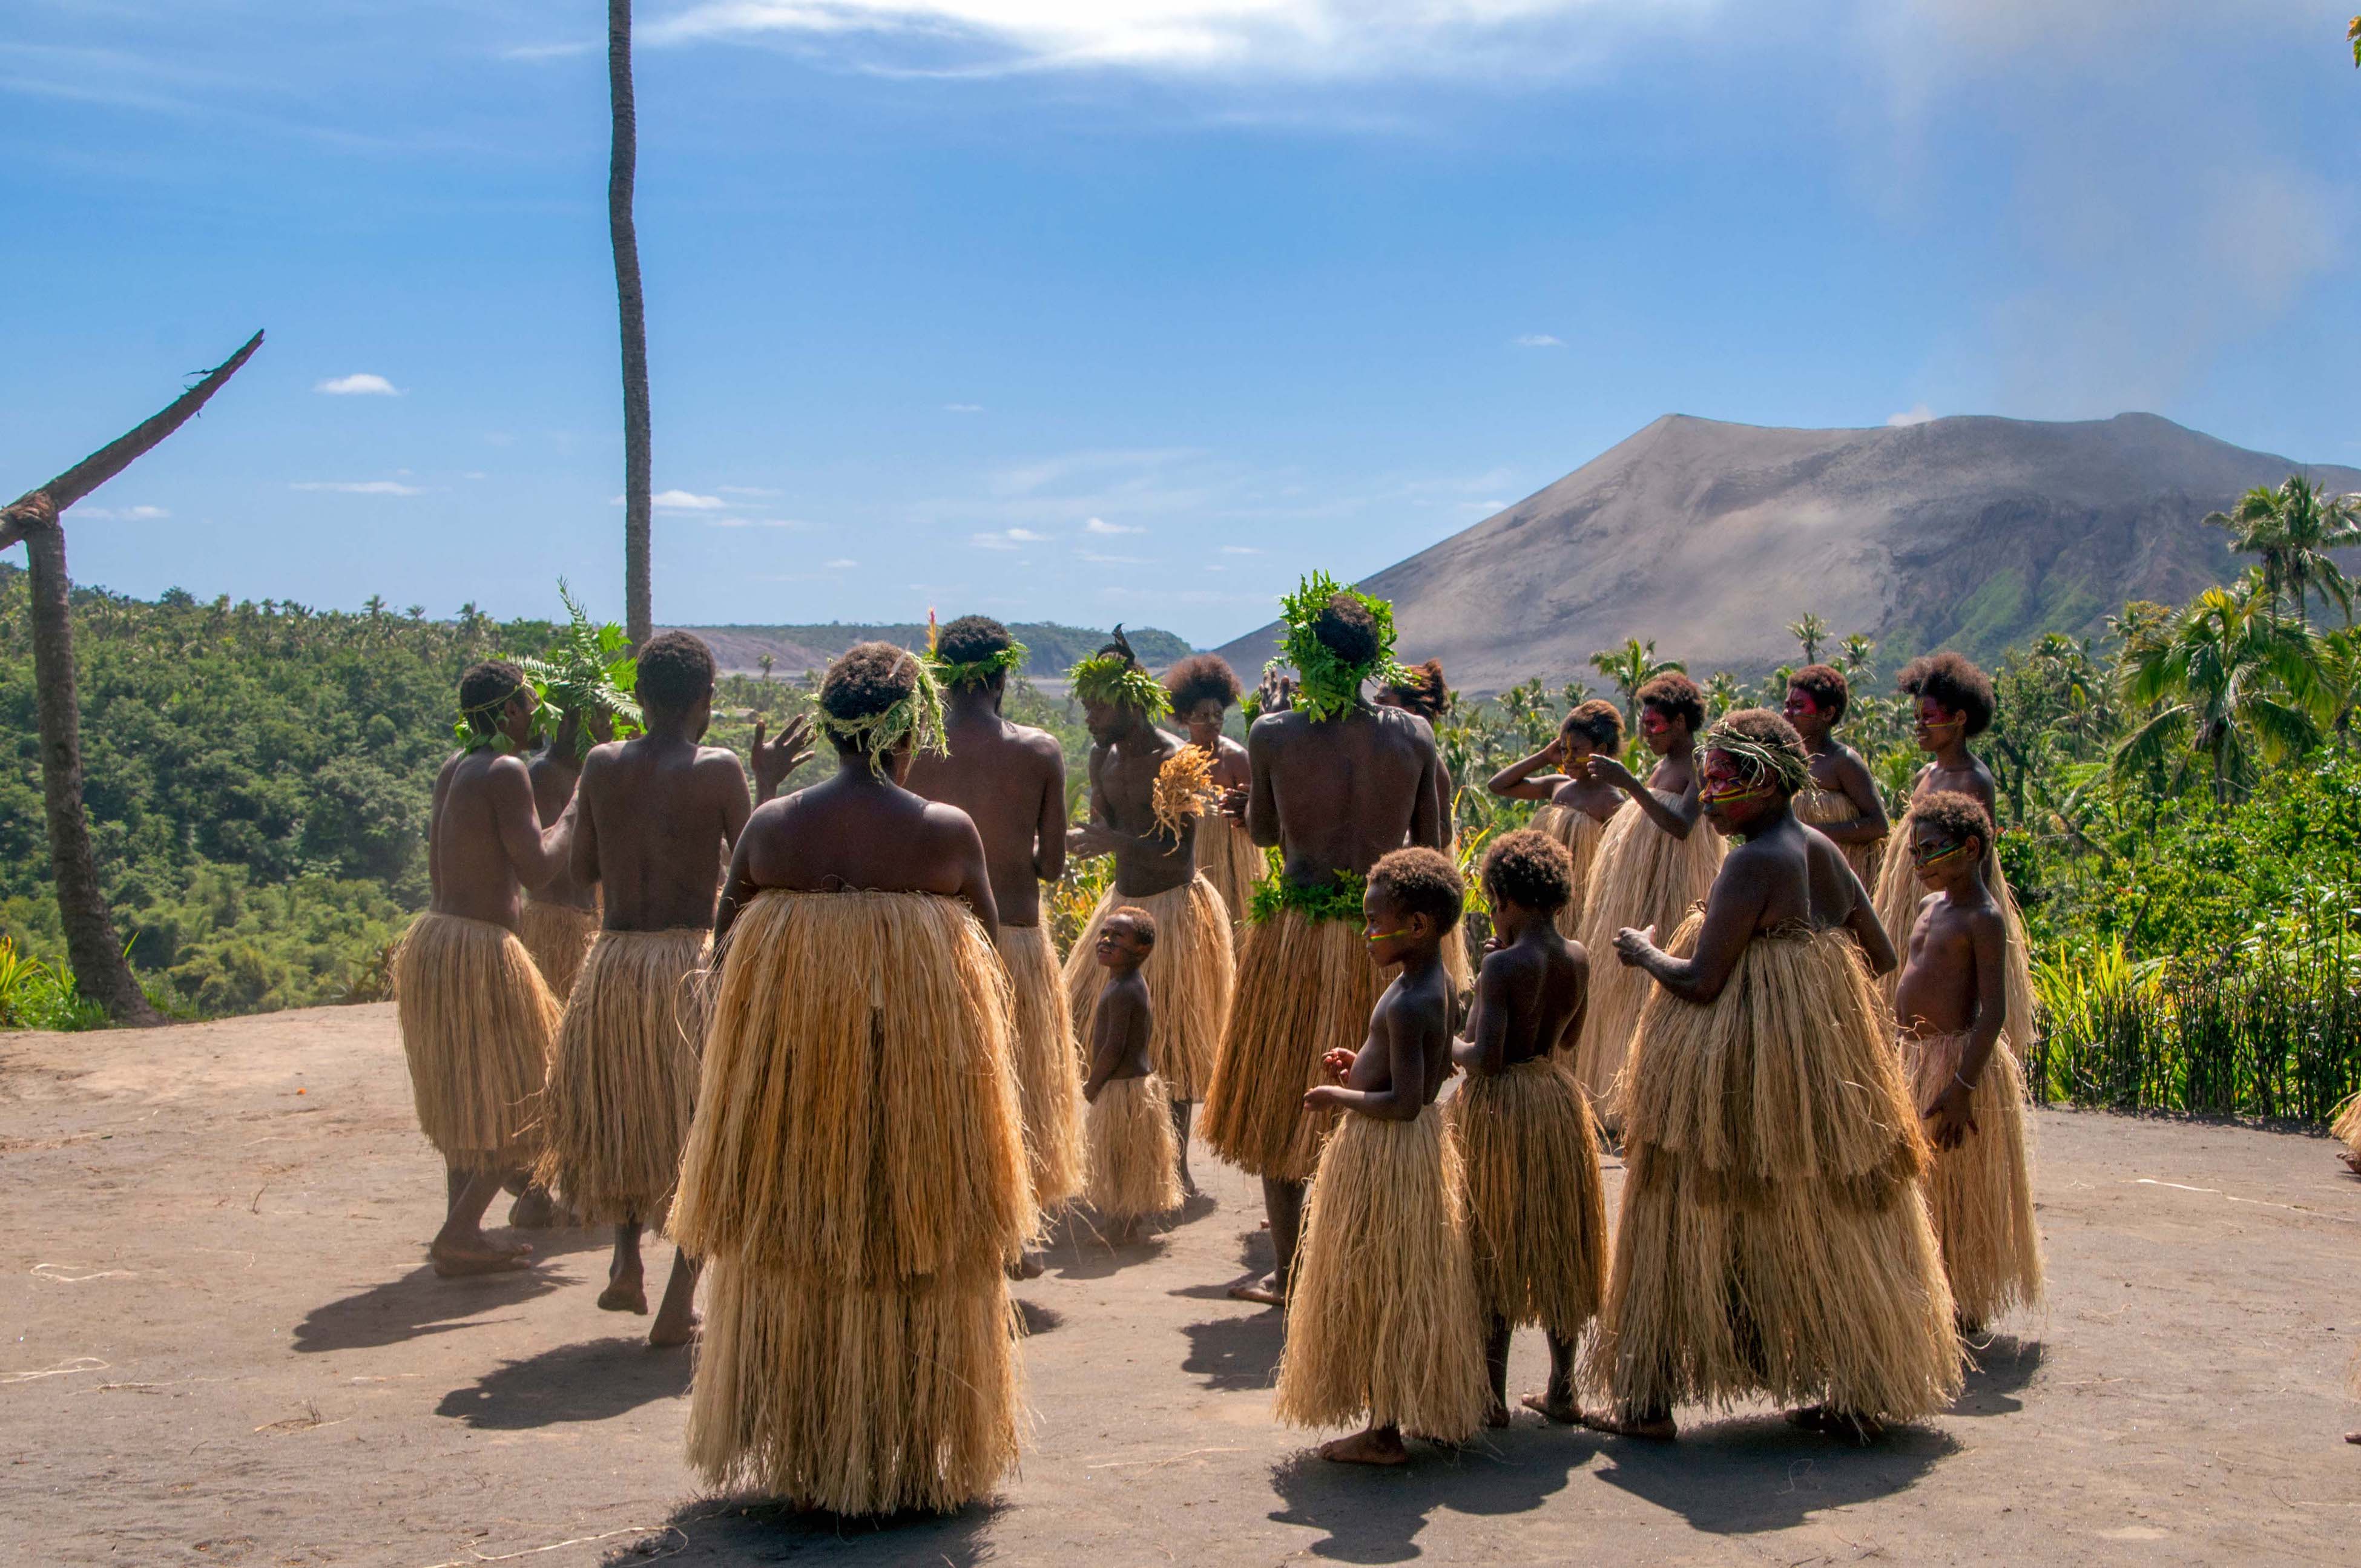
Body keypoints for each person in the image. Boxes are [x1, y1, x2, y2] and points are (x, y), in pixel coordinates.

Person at [668, 642, 1030, 1515]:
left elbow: (723, 955)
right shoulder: (943, 831)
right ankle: (900, 1449)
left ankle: (811, 1449)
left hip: (791, 1090)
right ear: (914, 730)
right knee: (910, 1238)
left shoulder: (774, 829)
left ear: (829, 728)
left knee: (804, 1237)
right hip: (921, 1092)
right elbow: (993, 954)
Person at [1583, 710, 1958, 1444]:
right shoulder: (1819, 847)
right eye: (1709, 780)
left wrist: (1644, 951)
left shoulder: (1753, 861)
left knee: (1690, 1197)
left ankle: (1649, 1402)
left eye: (1727, 781)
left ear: (1771, 780)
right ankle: (1858, 1386)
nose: (1713, 796)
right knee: (1818, 1204)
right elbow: (1879, 954)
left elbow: (1699, 981)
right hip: (1815, 1068)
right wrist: (1812, 986)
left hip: (1739, 1068)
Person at [534, 632, 809, 1347]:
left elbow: (582, 870)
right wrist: (769, 782)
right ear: (706, 701)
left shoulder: (600, 764)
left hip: (616, 966)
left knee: (625, 1113)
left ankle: (626, 1259)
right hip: (687, 967)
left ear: (642, 698)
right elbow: (753, 862)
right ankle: (677, 1301)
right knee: (699, 1125)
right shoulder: (718, 770)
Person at [1201, 575, 1444, 1307]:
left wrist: (1260, 812)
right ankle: (1375, 1266)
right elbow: (1434, 844)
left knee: (1283, 1102)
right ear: (1376, 659)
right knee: (1388, 1099)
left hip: (1299, 933)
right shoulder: (1414, 736)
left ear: (1306, 655)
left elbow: (1270, 833)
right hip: (1393, 941)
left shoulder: (1274, 734)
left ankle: (1290, 1271)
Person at [1273, 848, 1487, 1464]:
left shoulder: (1413, 997)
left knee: (1381, 1282)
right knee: (1394, 1282)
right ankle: (1400, 1416)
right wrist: (1358, 1063)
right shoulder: (1431, 982)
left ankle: (1384, 1432)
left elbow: (1410, 1099)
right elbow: (1423, 1063)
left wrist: (1338, 1093)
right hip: (1402, 1153)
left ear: (1416, 925)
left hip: (1388, 1153)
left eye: (1373, 922)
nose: (1365, 933)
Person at [906, 616, 1086, 1233]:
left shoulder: (915, 746)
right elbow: (1055, 863)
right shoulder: (1038, 750)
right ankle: (1021, 1228)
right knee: (1025, 1080)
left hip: (938, 939)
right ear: (1003, 674)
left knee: (950, 1084)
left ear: (944, 677)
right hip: (1015, 934)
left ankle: (954, 1213)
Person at [395, 660, 575, 1277]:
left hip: (440, 940)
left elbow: (435, 861)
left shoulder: (456, 767)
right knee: (537, 1090)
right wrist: (577, 810)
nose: (536, 713)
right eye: (529, 702)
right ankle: (461, 1228)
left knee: (467, 1093)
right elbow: (538, 867)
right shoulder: (504, 772)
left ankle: (462, 1231)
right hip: (479, 951)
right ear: (506, 714)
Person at [1060, 630, 1236, 1196]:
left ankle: (1175, 1166)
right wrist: (1091, 840)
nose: (1088, 715)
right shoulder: (1101, 757)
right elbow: (1106, 830)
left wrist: (1115, 840)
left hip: (1174, 911)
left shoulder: (1176, 760)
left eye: (1097, 704)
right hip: (1123, 905)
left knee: (1175, 1043)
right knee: (1092, 1023)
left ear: (1130, 701)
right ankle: (1119, 1157)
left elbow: (1179, 851)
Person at [1449, 829, 1605, 1428]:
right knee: (1561, 1243)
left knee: (1495, 1243)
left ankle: (1491, 1397)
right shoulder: (1579, 956)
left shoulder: (1501, 966)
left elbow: (1485, 1056)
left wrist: (1451, 1040)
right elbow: (1569, 1038)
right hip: (1556, 1102)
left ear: (1505, 898)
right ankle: (1563, 1389)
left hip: (1501, 1111)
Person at [1894, 790, 2044, 1334]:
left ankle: (1960, 1300)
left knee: (1954, 1187)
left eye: (1930, 850)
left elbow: (1993, 1013)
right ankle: (1921, 1287)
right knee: (1920, 1186)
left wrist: (1963, 1086)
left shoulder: (1983, 917)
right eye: (1914, 850)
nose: (1918, 861)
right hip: (1912, 1059)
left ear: (1971, 847)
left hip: (1953, 1064)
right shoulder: (1930, 907)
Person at [1569, 671, 1727, 1117]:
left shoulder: (1698, 762)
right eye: (1644, 723)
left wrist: (1629, 784)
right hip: (1646, 886)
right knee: (1629, 988)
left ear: (1680, 721)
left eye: (1655, 724)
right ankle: (1625, 1099)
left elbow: (1681, 825)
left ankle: (1655, 1101)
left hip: (1671, 890)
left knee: (1656, 988)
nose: (1646, 732)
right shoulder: (1664, 764)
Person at [1870, 653, 2037, 1062]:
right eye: (1917, 716)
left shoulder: (1975, 779)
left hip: (1957, 895)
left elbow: (1980, 852)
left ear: (1960, 719)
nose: (1919, 725)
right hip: (1917, 894)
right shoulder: (1924, 775)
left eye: (1929, 716)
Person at [1081, 906, 1182, 1245]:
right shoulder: (1124, 983)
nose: (1106, 941)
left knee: (1119, 1158)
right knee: (1122, 1157)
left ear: (1142, 949)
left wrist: (1093, 1085)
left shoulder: (1125, 989)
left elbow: (1114, 1046)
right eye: (1104, 933)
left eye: (1117, 936)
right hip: (1129, 1087)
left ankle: (1121, 1229)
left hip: (1124, 1089)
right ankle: (1125, 1225)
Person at [1486, 699, 1629, 940]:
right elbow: (1498, 785)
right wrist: (1544, 757)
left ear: (1601, 750)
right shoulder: (1558, 786)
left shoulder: (1612, 803)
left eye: (1577, 750)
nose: (1569, 758)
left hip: (1583, 908)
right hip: (1542, 902)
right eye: (1564, 750)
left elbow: (1616, 868)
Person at [1375, 657, 1472, 1003]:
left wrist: (1399, 848)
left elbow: (1441, 834)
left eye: (1384, 700)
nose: (1375, 705)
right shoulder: (1399, 753)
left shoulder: (1430, 762)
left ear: (1411, 710)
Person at [1164, 653, 1259, 945]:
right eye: (1203, 716)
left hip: (1231, 861)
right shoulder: (1177, 761)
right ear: (1185, 719)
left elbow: (1256, 809)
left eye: (1218, 714)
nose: (1213, 722)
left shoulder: (1237, 758)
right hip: (1192, 860)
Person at [1783, 664, 1889, 886]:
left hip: (1841, 874)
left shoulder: (1843, 761)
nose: (1788, 713)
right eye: (1787, 705)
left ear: (1828, 713)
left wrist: (1815, 834)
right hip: (1801, 872)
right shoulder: (1787, 760)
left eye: (1799, 706)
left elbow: (1879, 825)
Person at [519, 729, 601, 1004]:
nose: (608, 726)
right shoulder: (544, 773)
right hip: (556, 929)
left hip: (587, 924)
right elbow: (549, 862)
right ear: (570, 719)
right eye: (599, 717)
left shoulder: (596, 768)